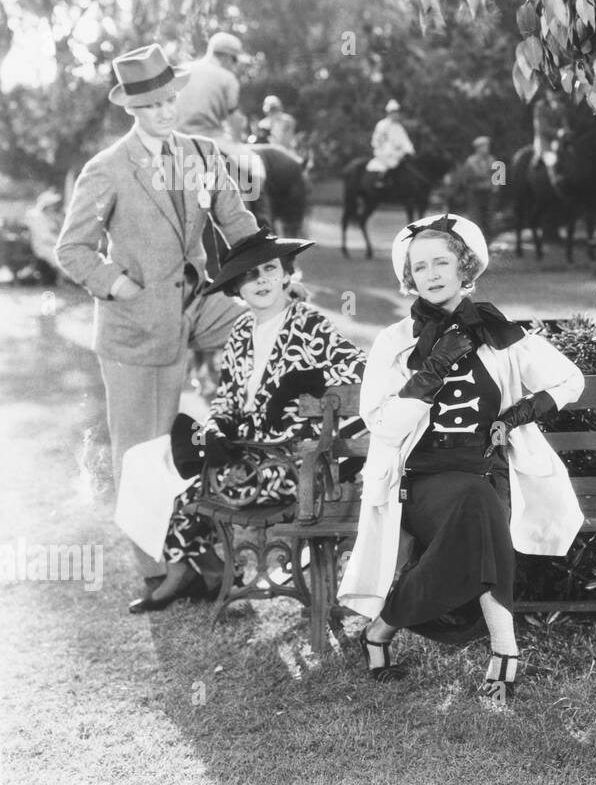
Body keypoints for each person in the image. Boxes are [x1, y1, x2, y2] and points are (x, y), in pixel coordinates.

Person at [337, 214, 584, 699]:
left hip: (482, 476)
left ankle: (383, 629)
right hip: (419, 482)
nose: (431, 274)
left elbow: (569, 380)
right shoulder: (393, 342)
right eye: (420, 266)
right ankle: (504, 652)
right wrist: (432, 367)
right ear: (409, 275)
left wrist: (515, 416)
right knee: (479, 504)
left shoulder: (497, 333)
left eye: (441, 262)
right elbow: (383, 425)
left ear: (464, 266)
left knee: (479, 505)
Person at [56, 43, 259, 583]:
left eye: (172, 99)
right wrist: (119, 286)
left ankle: (264, 499)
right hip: (136, 326)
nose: (167, 111)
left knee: (270, 330)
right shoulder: (108, 169)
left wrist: (271, 276)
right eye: (153, 105)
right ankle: (156, 569)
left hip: (198, 304)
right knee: (143, 449)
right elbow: (72, 250)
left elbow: (237, 224)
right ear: (132, 109)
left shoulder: (202, 153)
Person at [129, 228, 366, 612]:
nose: (261, 280)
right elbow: (227, 398)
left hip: (296, 466)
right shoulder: (240, 332)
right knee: (171, 478)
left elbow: (362, 369)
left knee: (187, 484)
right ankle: (201, 572)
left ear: (287, 274)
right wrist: (218, 424)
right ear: (237, 287)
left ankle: (201, 573)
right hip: (251, 457)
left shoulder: (308, 325)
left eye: (269, 269)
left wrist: (306, 381)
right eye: (250, 275)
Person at [175, 31, 264, 206]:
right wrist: (237, 140)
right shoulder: (228, 78)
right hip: (210, 139)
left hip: (176, 140)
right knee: (256, 165)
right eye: (235, 60)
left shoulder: (182, 70)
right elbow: (234, 120)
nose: (236, 66)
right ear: (227, 57)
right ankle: (259, 225)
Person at [449, 136, 498, 235]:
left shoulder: (493, 159)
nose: (487, 148)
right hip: (475, 194)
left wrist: (495, 188)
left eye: (487, 146)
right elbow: (465, 179)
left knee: (489, 220)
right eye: (484, 146)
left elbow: (499, 178)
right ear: (478, 148)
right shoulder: (470, 161)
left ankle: (488, 240)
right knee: (476, 219)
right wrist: (473, 184)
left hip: (489, 194)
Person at [367, 99, 415, 176]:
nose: (395, 114)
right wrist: (387, 148)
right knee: (392, 165)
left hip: (399, 155)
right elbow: (376, 141)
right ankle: (381, 182)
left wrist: (410, 151)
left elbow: (405, 141)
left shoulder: (399, 127)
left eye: (396, 112)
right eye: (393, 112)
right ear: (389, 113)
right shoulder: (382, 125)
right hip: (384, 154)